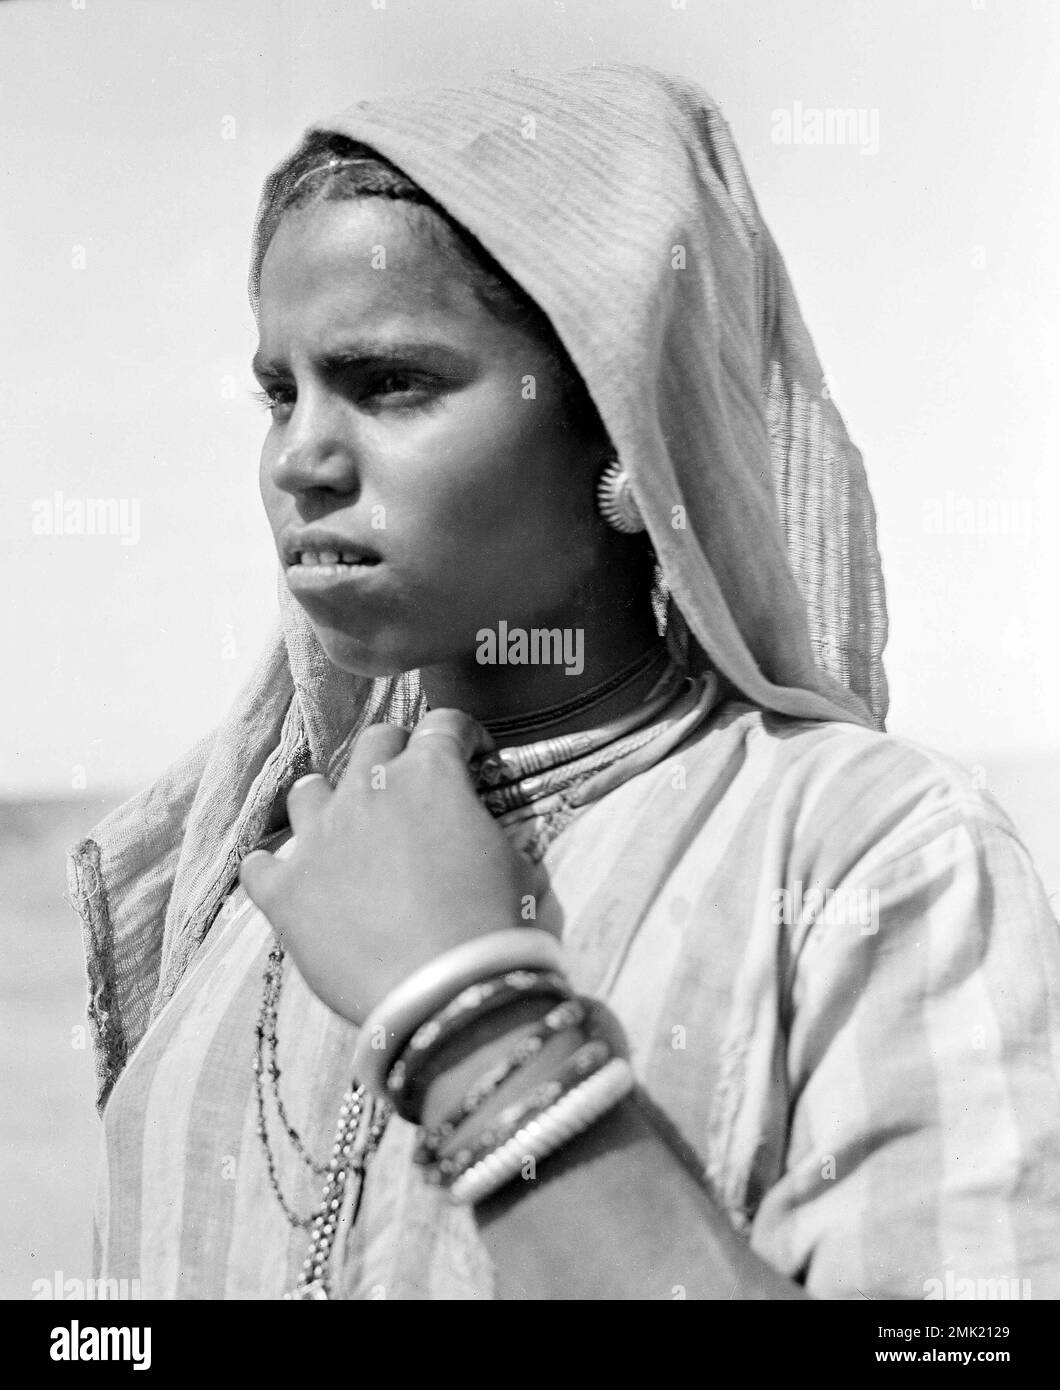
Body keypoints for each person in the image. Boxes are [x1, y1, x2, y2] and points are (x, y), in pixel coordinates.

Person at [68, 64, 1060, 1300]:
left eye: (390, 382)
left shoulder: (870, 857)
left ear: (625, 434)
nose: (303, 458)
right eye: (283, 391)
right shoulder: (244, 882)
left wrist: (469, 1011)